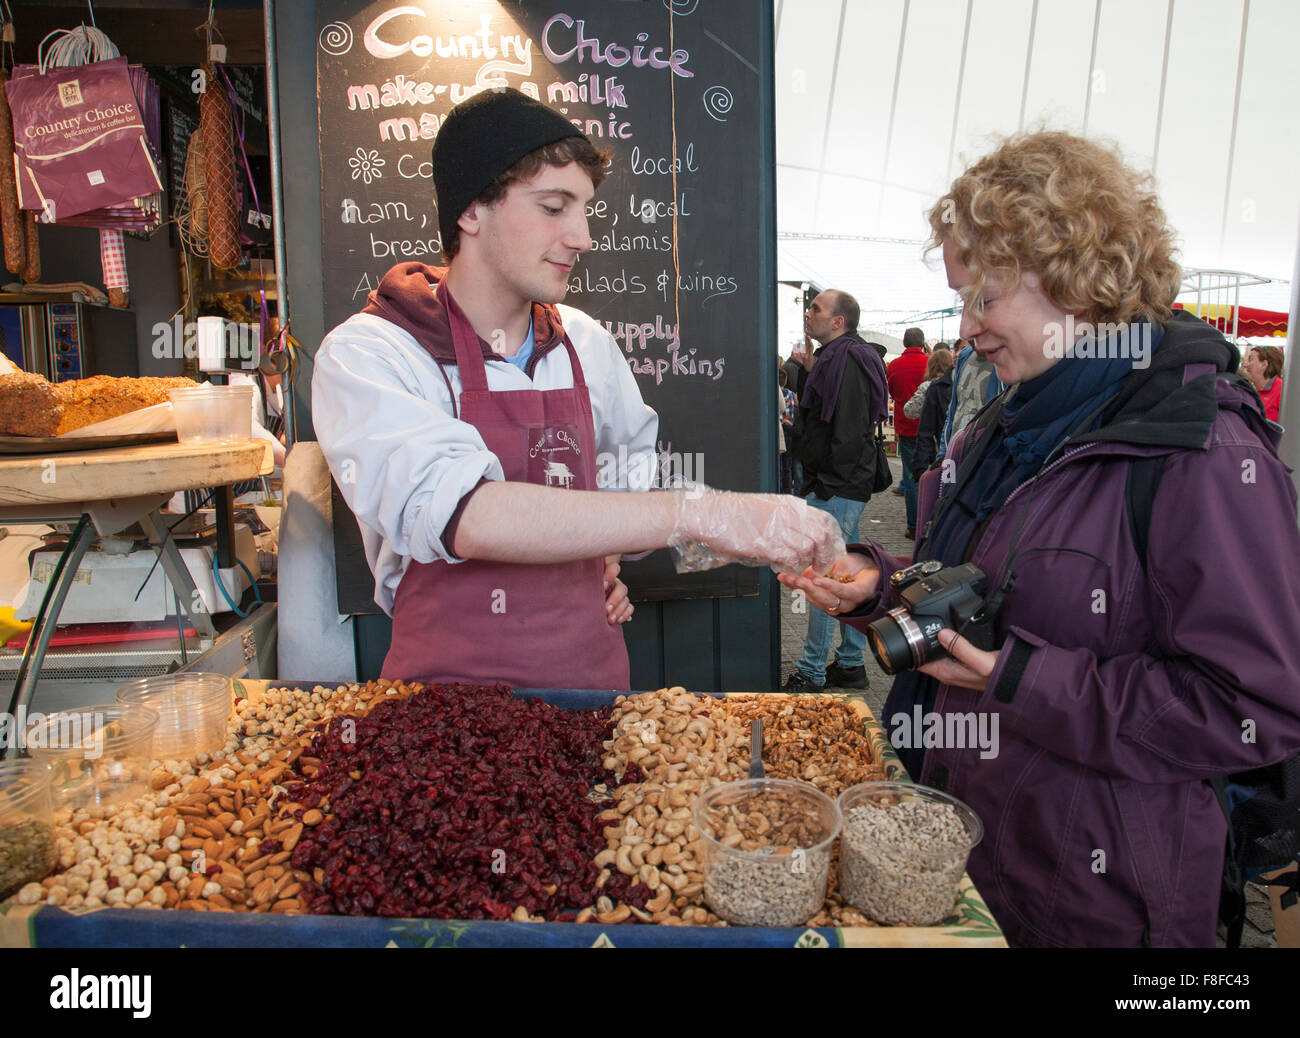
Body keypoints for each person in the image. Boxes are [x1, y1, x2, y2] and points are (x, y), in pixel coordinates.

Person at [779, 130, 1300, 947]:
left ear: (1078, 276)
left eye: (984, 297)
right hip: (981, 857)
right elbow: (988, 587)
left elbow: (1255, 705)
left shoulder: (1201, 448)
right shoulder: (1014, 420)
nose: (968, 325)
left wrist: (1022, 681)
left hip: (1100, 900)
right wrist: (879, 583)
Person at [313, 88, 842, 691]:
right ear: (470, 211)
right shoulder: (373, 354)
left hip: (590, 681)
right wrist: (706, 513)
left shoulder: (585, 344)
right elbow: (466, 514)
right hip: (446, 713)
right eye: (553, 206)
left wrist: (608, 555)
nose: (582, 236)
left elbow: (627, 487)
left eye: (584, 209)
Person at [784, 289, 888, 692]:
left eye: (816, 309)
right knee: (847, 575)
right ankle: (849, 663)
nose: (808, 314)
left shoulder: (847, 359)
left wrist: (824, 485)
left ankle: (812, 670)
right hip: (840, 483)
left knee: (825, 579)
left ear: (838, 321)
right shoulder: (840, 356)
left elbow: (847, 431)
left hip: (838, 486)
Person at [887, 328, 929, 538]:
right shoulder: (929, 363)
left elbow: (892, 392)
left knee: (911, 474)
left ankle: (914, 525)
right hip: (931, 425)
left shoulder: (895, 365)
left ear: (904, 343)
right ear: (922, 342)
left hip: (906, 424)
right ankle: (929, 522)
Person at [939, 339, 1003, 458]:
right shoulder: (965, 355)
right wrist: (943, 453)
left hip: (982, 456)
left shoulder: (1005, 363)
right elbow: (953, 411)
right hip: (955, 454)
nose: (967, 334)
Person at [904, 348, 954, 480]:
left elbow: (910, 411)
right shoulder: (958, 385)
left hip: (935, 447)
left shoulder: (928, 386)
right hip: (955, 445)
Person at [1241, 344, 1284, 423]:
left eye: (1250, 359)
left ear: (1264, 364)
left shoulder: (1282, 391)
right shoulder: (1251, 390)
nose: (1246, 365)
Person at [779, 366, 798, 494]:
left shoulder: (774, 393)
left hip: (780, 433)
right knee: (788, 466)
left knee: (779, 466)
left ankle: (780, 490)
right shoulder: (791, 394)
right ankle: (788, 493)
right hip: (790, 432)